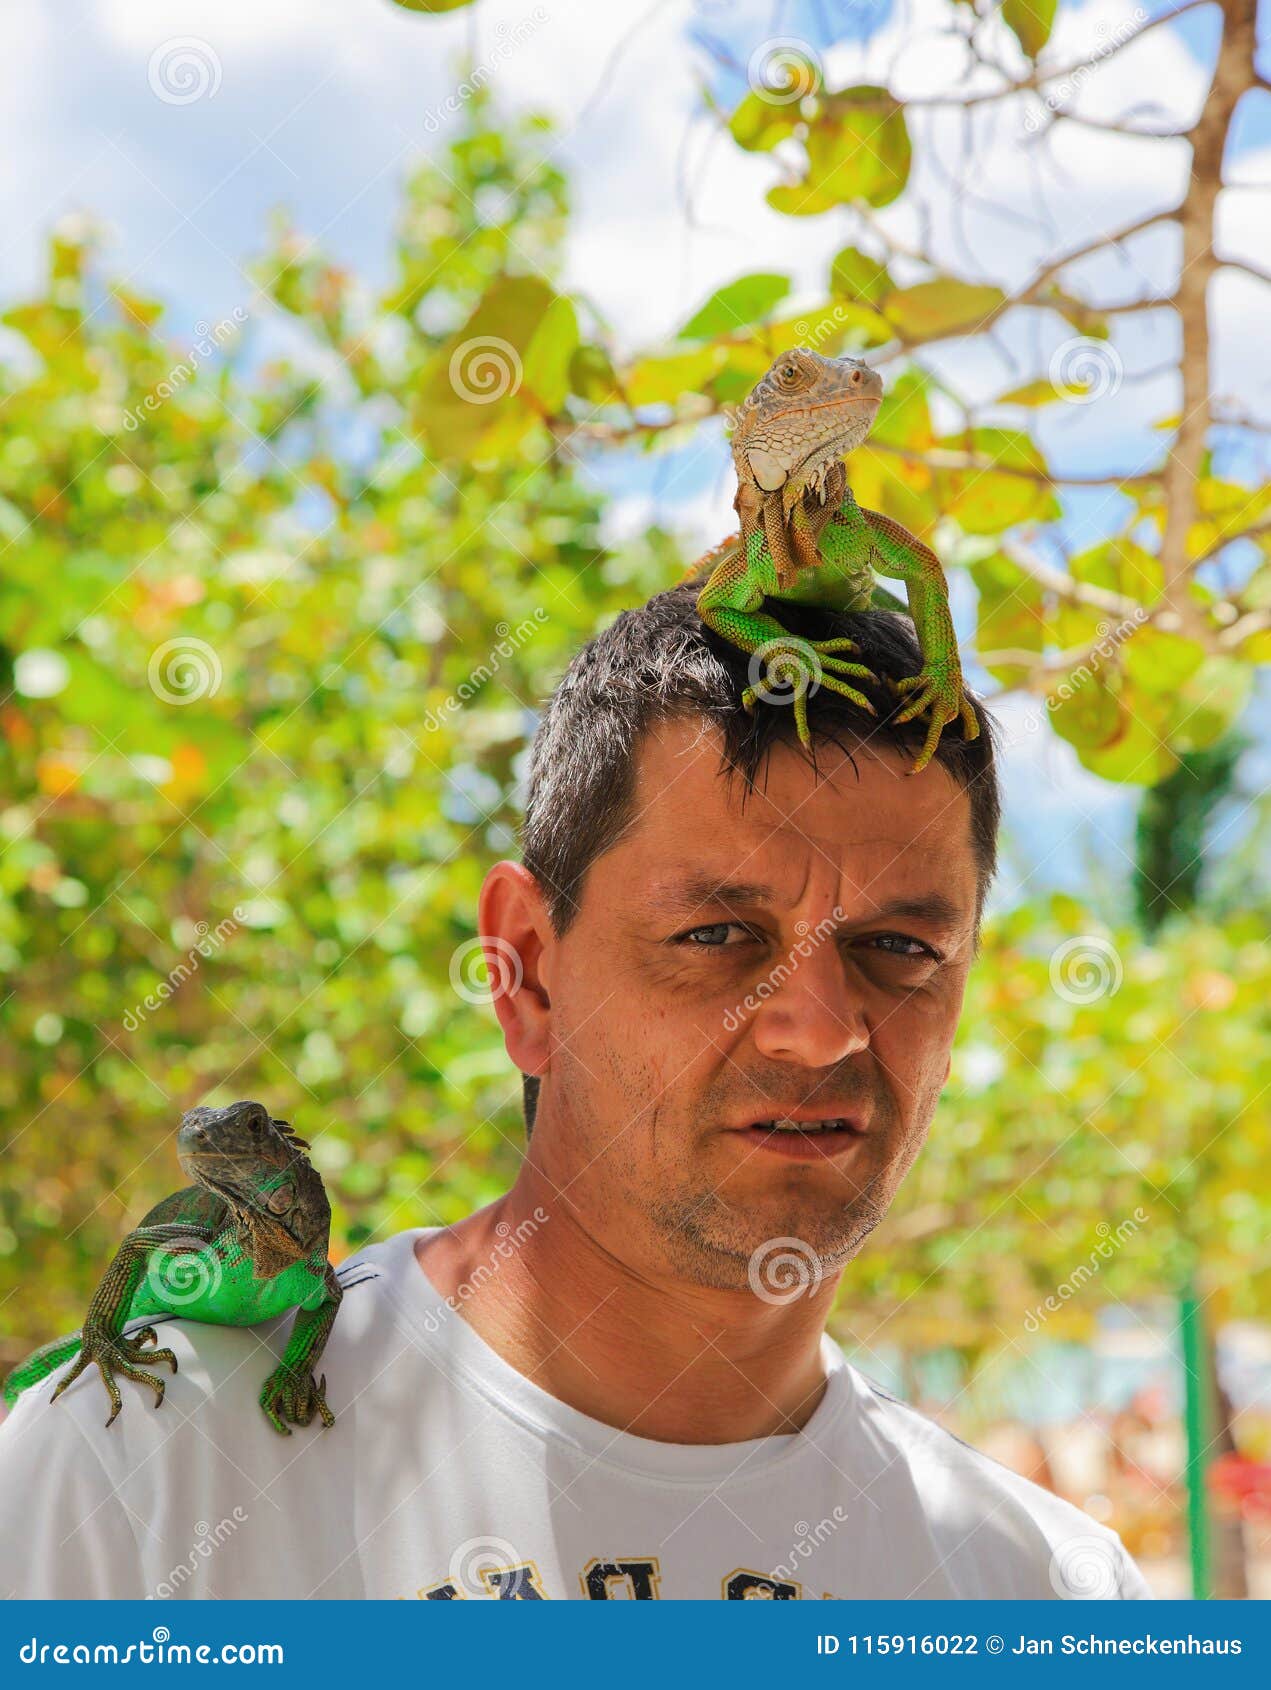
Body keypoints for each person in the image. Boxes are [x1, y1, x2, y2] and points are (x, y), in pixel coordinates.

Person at [0, 584, 1152, 1600]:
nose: (820, 1029)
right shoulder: (138, 1467)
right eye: (715, 934)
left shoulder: (1047, 1593)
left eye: (900, 949)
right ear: (529, 973)